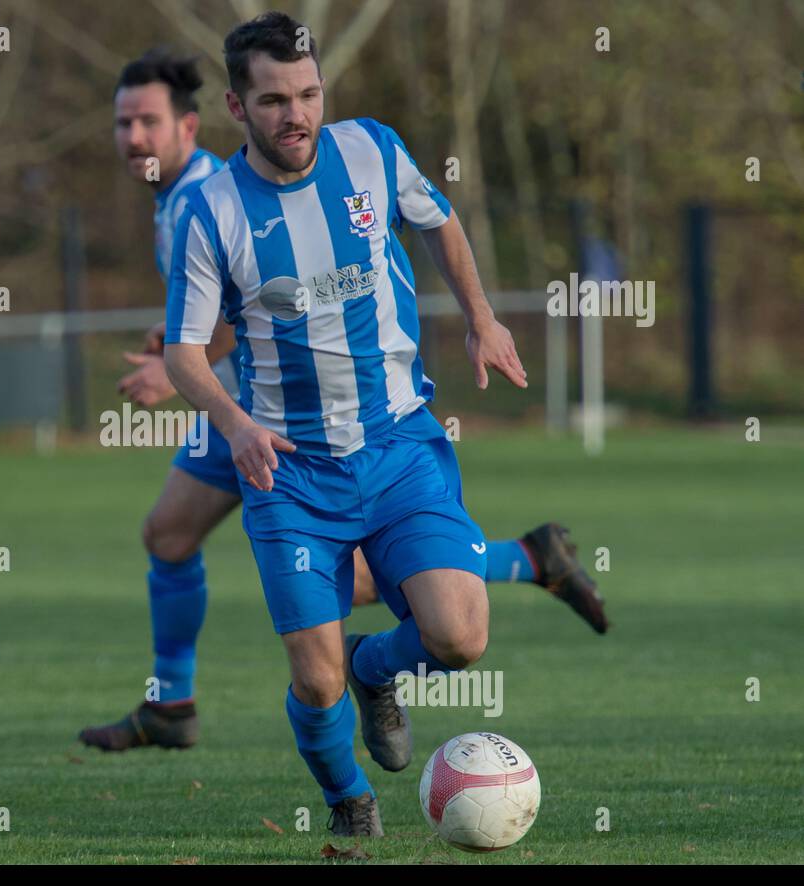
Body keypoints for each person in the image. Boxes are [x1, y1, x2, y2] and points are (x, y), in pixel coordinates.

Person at [82, 45, 607, 758]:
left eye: (148, 121)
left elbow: (250, 315)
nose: (134, 137)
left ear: (193, 127)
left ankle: (510, 565)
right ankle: (172, 700)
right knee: (172, 535)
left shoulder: (215, 196)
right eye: (123, 123)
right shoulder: (179, 199)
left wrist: (171, 368)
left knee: (350, 570)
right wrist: (175, 345)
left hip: (280, 420)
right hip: (249, 415)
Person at [164, 12, 566, 836]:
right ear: (236, 108)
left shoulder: (371, 150)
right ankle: (349, 803)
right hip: (290, 470)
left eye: (308, 94)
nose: (296, 114)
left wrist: (481, 316)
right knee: (313, 685)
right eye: (273, 100)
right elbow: (184, 353)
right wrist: (235, 424)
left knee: (459, 638)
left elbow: (440, 219)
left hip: (398, 444)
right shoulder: (211, 211)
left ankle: (373, 666)